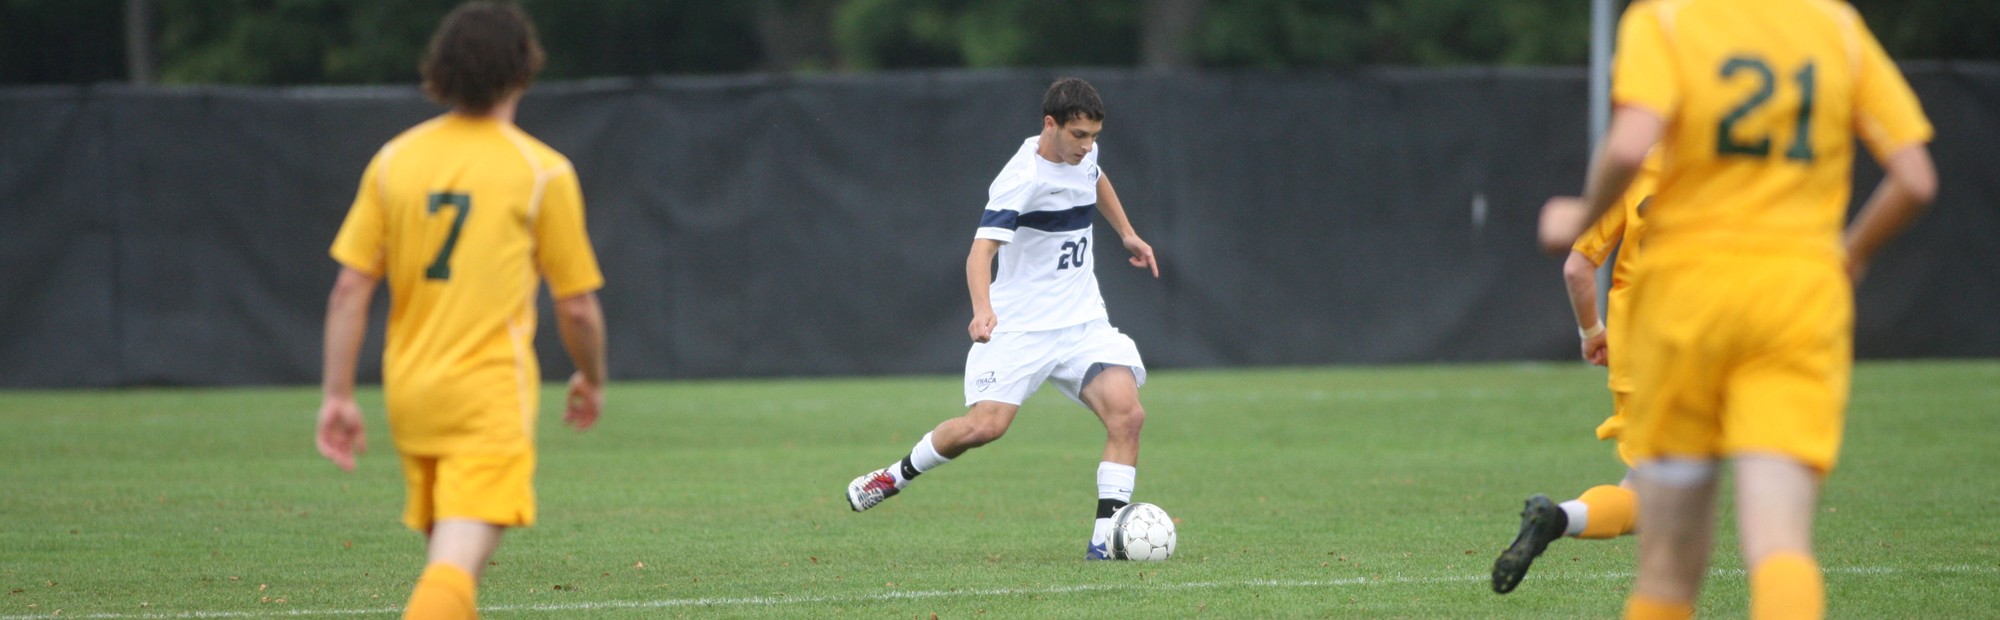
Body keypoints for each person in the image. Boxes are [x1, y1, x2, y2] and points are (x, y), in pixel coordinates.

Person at [1537, 0, 1935, 617]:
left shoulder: (1664, 21)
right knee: (1780, 545)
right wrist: (1851, 256)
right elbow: (1915, 180)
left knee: (1667, 572)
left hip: (1686, 300)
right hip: (1796, 298)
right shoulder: (1837, 29)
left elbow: (1628, 146)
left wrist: (1578, 214)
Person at [314, 3, 608, 618]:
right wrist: (593, 378)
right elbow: (576, 307)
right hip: (485, 394)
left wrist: (337, 394)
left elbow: (349, 288)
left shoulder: (395, 160)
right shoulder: (541, 171)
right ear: (523, 70)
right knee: (452, 568)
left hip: (411, 391)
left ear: (440, 69)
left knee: (449, 573)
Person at [843, 77, 1162, 561]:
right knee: (983, 428)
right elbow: (980, 253)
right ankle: (894, 475)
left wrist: (1127, 233)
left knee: (1128, 415)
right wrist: (983, 311)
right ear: (1050, 125)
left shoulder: (1085, 156)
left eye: (1095, 136)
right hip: (1021, 328)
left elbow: (1095, 179)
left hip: (1082, 324)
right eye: (1079, 135)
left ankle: (1104, 542)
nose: (1088, 145)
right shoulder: (1021, 178)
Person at [1492, 151, 1660, 595]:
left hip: (1637, 353)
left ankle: (1561, 517)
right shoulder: (1731, 167)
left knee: (1646, 493)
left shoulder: (1636, 171)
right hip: (1709, 346)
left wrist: (1592, 331)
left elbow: (1576, 267)